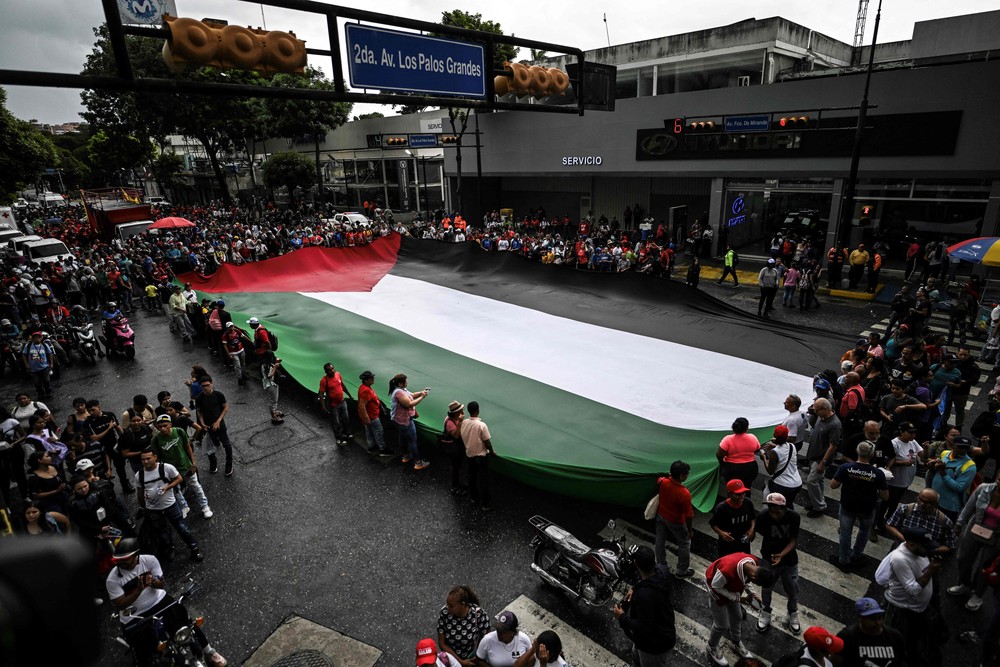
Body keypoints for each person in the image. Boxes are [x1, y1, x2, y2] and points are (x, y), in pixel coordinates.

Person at [106, 539, 226, 667]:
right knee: (142, 651)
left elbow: (161, 584)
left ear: (136, 555)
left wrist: (152, 582)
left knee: (187, 621)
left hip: (159, 601)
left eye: (125, 559)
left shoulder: (150, 560)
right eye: (119, 559)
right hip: (135, 614)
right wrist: (138, 590)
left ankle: (209, 652)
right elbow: (122, 604)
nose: (121, 562)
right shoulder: (112, 579)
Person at [876, 528, 941, 667]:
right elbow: (912, 589)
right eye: (925, 547)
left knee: (912, 639)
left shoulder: (917, 552)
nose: (928, 551)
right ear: (911, 544)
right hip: (902, 610)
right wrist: (930, 570)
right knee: (896, 641)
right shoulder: (900, 559)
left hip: (916, 608)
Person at [705, 552, 776, 666]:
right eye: (756, 583)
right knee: (721, 625)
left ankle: (736, 642)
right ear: (754, 576)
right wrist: (738, 598)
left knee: (737, 616)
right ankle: (712, 646)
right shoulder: (727, 571)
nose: (753, 583)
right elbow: (716, 586)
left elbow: (746, 581)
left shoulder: (753, 563)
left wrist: (752, 594)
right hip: (716, 588)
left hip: (730, 587)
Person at [135, 448, 204, 562]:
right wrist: (144, 507)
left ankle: (194, 549)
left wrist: (167, 487)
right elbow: (140, 493)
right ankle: (169, 548)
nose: (146, 462)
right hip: (153, 510)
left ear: (155, 457)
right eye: (143, 459)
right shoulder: (139, 475)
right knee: (162, 532)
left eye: (148, 458)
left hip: (170, 506)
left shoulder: (166, 468)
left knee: (182, 528)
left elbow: (179, 479)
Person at [829, 441, 889, 570]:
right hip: (868, 508)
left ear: (857, 451)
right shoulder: (878, 473)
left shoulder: (845, 468)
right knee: (864, 531)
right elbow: (885, 496)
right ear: (872, 454)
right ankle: (857, 555)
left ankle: (843, 560)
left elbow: (833, 485)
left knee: (845, 533)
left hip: (848, 506)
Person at [613, 545, 676, 666]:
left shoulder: (645, 596)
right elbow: (647, 581)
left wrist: (621, 616)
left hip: (654, 646)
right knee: (636, 659)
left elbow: (643, 627)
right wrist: (636, 587)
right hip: (645, 640)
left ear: (636, 564)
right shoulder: (662, 570)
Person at [950, 473, 1000, 612]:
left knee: (984, 568)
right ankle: (964, 584)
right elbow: (969, 506)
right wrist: (959, 524)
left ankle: (977, 594)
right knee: (963, 557)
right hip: (975, 527)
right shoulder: (984, 488)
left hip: (996, 536)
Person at [754, 492, 800, 634]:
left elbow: (793, 540)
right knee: (766, 588)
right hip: (768, 558)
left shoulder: (794, 517)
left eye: (777, 509)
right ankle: (765, 612)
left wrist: (781, 555)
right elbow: (758, 529)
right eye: (771, 508)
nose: (773, 512)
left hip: (789, 560)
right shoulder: (762, 517)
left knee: (792, 589)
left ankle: (792, 613)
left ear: (785, 508)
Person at [152, 414, 213, 520]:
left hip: (185, 465)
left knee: (196, 486)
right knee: (176, 490)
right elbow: (156, 458)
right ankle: (184, 506)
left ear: (170, 424)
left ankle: (205, 506)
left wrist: (193, 463)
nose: (162, 428)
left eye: (165, 425)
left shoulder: (179, 432)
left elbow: (187, 447)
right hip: (170, 471)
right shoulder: (156, 440)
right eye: (160, 426)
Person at [875, 422, 923, 535]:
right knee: (885, 502)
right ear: (901, 432)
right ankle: (878, 522)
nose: (913, 435)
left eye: (914, 433)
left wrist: (925, 448)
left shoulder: (913, 442)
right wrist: (903, 463)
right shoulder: (894, 444)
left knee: (895, 502)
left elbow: (922, 454)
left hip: (905, 481)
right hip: (894, 481)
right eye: (910, 433)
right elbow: (887, 460)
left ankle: (890, 519)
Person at [836, 597, 907, 667]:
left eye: (879, 618)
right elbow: (836, 662)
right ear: (860, 618)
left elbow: (903, 662)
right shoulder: (847, 637)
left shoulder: (894, 636)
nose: (878, 623)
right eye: (872, 619)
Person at [654, 460, 694, 576]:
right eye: (687, 474)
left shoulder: (662, 482)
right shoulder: (684, 493)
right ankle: (682, 571)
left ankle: (661, 565)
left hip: (661, 515)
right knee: (685, 544)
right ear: (681, 476)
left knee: (660, 540)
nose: (687, 476)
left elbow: (660, 479)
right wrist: (690, 531)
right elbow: (689, 515)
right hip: (676, 521)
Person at [803, 398, 842, 518]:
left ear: (825, 409)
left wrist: (823, 463)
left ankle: (819, 506)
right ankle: (818, 501)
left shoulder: (834, 424)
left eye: (817, 410)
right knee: (818, 481)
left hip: (821, 458)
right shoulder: (823, 417)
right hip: (815, 456)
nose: (816, 412)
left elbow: (833, 446)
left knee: (811, 481)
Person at [437, 585, 491, 667]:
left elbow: (486, 639)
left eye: (451, 606)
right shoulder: (444, 613)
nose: (448, 608)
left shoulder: (478, 614)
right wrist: (461, 662)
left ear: (462, 605)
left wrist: (477, 658)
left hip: (472, 660)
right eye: (447, 604)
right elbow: (442, 643)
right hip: (452, 659)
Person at [928, 435, 976, 522]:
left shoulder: (970, 466)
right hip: (932, 499)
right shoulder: (945, 453)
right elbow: (937, 468)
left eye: (966, 448)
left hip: (948, 507)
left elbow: (958, 487)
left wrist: (943, 472)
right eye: (960, 447)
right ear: (953, 445)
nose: (963, 450)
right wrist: (933, 465)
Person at [389, 373, 431, 470]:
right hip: (405, 421)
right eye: (405, 381)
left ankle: (405, 456)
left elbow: (411, 395)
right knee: (412, 441)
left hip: (398, 420)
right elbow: (409, 404)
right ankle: (418, 463)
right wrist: (422, 397)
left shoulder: (401, 390)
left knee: (402, 437)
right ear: (400, 383)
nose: (407, 382)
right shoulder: (399, 393)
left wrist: (422, 392)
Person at [195, 375, 233, 477]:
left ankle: (229, 464)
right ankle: (213, 462)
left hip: (219, 423)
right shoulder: (199, 398)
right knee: (208, 445)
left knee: (226, 444)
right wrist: (202, 423)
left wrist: (219, 420)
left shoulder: (218, 394)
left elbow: (225, 407)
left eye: (207, 385)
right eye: (203, 386)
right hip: (207, 425)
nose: (205, 388)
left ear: (212, 383)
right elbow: (199, 412)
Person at [461, 401, 495, 511]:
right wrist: (492, 451)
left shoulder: (464, 423)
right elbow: (487, 441)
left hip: (469, 454)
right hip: (481, 456)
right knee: (483, 479)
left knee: (472, 477)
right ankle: (485, 504)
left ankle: (473, 498)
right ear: (478, 410)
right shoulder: (481, 425)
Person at [709, 479, 756, 558]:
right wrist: (722, 533)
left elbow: (752, 518)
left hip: (744, 542)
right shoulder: (722, 508)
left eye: (743, 493)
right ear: (730, 494)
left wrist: (752, 528)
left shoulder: (747, 502)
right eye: (738, 494)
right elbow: (713, 524)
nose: (742, 496)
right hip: (728, 544)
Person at [761, 425, 802, 509]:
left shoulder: (775, 452)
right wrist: (775, 444)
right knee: (788, 504)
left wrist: (764, 458)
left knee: (775, 506)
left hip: (782, 485)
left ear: (775, 435)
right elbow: (783, 448)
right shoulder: (792, 446)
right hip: (797, 484)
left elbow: (770, 471)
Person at [716, 417, 761, 491]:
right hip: (750, 468)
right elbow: (757, 448)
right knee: (746, 488)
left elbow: (719, 454)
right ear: (746, 428)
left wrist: (723, 463)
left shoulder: (728, 439)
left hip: (732, 469)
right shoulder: (753, 437)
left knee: (733, 490)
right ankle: (746, 501)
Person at [318, 362, 353, 445]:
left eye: (333, 369)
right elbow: (321, 394)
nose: (332, 371)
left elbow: (342, 385)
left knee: (346, 418)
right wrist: (323, 407)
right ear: (326, 372)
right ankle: (339, 437)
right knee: (336, 422)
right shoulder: (324, 380)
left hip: (342, 401)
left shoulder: (338, 374)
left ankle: (347, 433)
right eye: (330, 370)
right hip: (333, 405)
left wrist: (349, 395)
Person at [357, 370, 388, 455]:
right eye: (371, 378)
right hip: (372, 416)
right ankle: (383, 449)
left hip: (369, 415)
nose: (373, 378)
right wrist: (366, 418)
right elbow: (362, 405)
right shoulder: (366, 390)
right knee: (379, 431)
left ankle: (371, 447)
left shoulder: (363, 387)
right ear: (366, 380)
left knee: (369, 431)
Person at [442, 401, 466, 496]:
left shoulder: (454, 418)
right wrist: (460, 421)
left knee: (457, 466)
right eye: (461, 410)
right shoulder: (450, 423)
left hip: (457, 447)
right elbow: (456, 435)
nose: (463, 411)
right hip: (453, 448)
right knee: (455, 467)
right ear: (456, 412)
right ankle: (455, 486)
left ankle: (457, 484)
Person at [21, 330, 55, 397]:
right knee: (36, 383)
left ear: (41, 338)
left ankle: (48, 392)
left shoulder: (45, 345)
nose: (37, 338)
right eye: (35, 337)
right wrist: (26, 364)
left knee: (46, 381)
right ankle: (40, 393)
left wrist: (51, 363)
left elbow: (50, 354)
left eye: (38, 337)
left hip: (44, 367)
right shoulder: (28, 346)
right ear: (32, 338)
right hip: (33, 369)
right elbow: (24, 355)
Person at [220, 322, 247, 386]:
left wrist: (251, 342)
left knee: (243, 364)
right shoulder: (225, 335)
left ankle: (243, 375)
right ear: (227, 328)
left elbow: (243, 336)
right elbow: (225, 345)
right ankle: (240, 379)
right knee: (237, 366)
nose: (231, 328)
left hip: (241, 350)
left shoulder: (237, 331)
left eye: (232, 326)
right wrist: (228, 354)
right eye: (230, 327)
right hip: (233, 352)